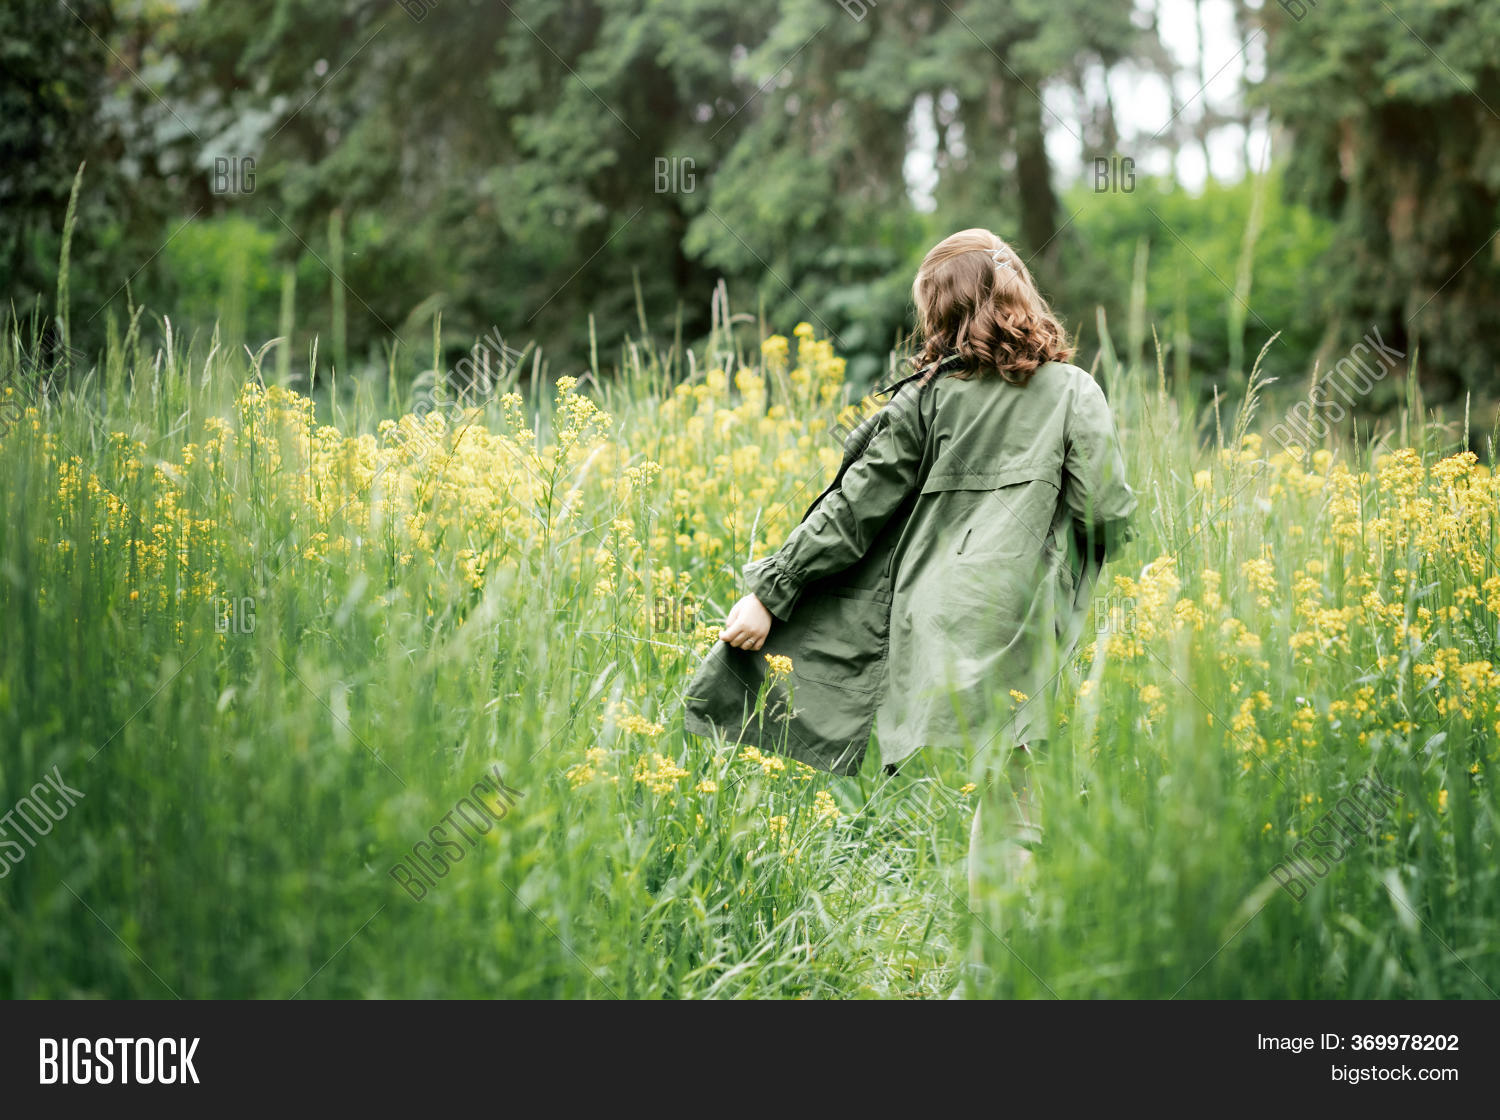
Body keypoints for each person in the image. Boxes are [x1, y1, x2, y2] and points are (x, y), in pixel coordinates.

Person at [684, 227, 1136, 994]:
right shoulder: (1074, 392)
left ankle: (997, 972)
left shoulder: (925, 399)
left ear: (943, 317)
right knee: (1019, 787)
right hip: (1023, 618)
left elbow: (854, 509)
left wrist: (770, 592)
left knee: (1008, 789)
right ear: (1019, 296)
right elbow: (1106, 512)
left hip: (934, 623)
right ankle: (1001, 979)